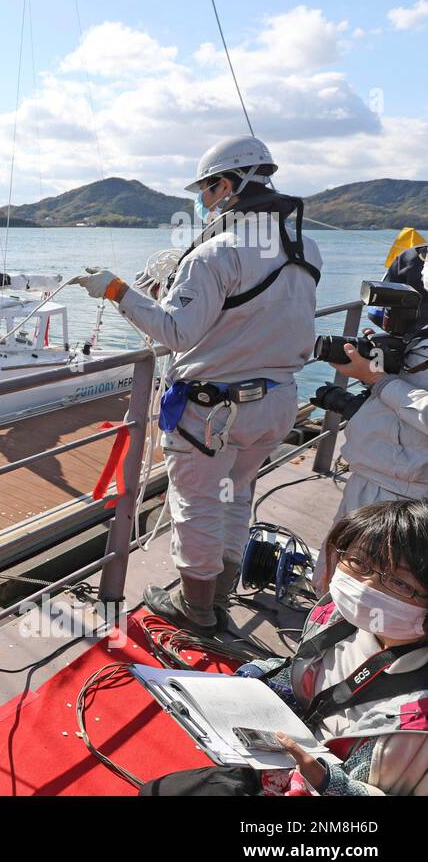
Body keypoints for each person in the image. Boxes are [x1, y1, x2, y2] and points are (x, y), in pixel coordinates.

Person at [74, 136, 322, 634]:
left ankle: (196, 607)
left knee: (198, 504)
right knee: (236, 494)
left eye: (206, 192)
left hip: (213, 412)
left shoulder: (213, 255)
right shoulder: (305, 247)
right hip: (275, 401)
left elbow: (176, 332)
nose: (203, 202)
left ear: (226, 186)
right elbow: (253, 318)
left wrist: (118, 290)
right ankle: (220, 590)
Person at [144, 499, 428, 796]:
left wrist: (327, 783)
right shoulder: (337, 617)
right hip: (280, 763)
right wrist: (256, 678)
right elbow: (306, 675)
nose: (367, 586)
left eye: (398, 582)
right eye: (358, 563)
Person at [314, 325, 428, 589]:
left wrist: (379, 380)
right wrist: (388, 348)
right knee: (333, 578)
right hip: (366, 477)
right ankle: (324, 624)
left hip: (408, 501)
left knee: (376, 591)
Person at [371, 227, 428, 331]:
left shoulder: (409, 256)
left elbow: (378, 309)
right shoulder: (409, 256)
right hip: (413, 334)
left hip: (409, 334)